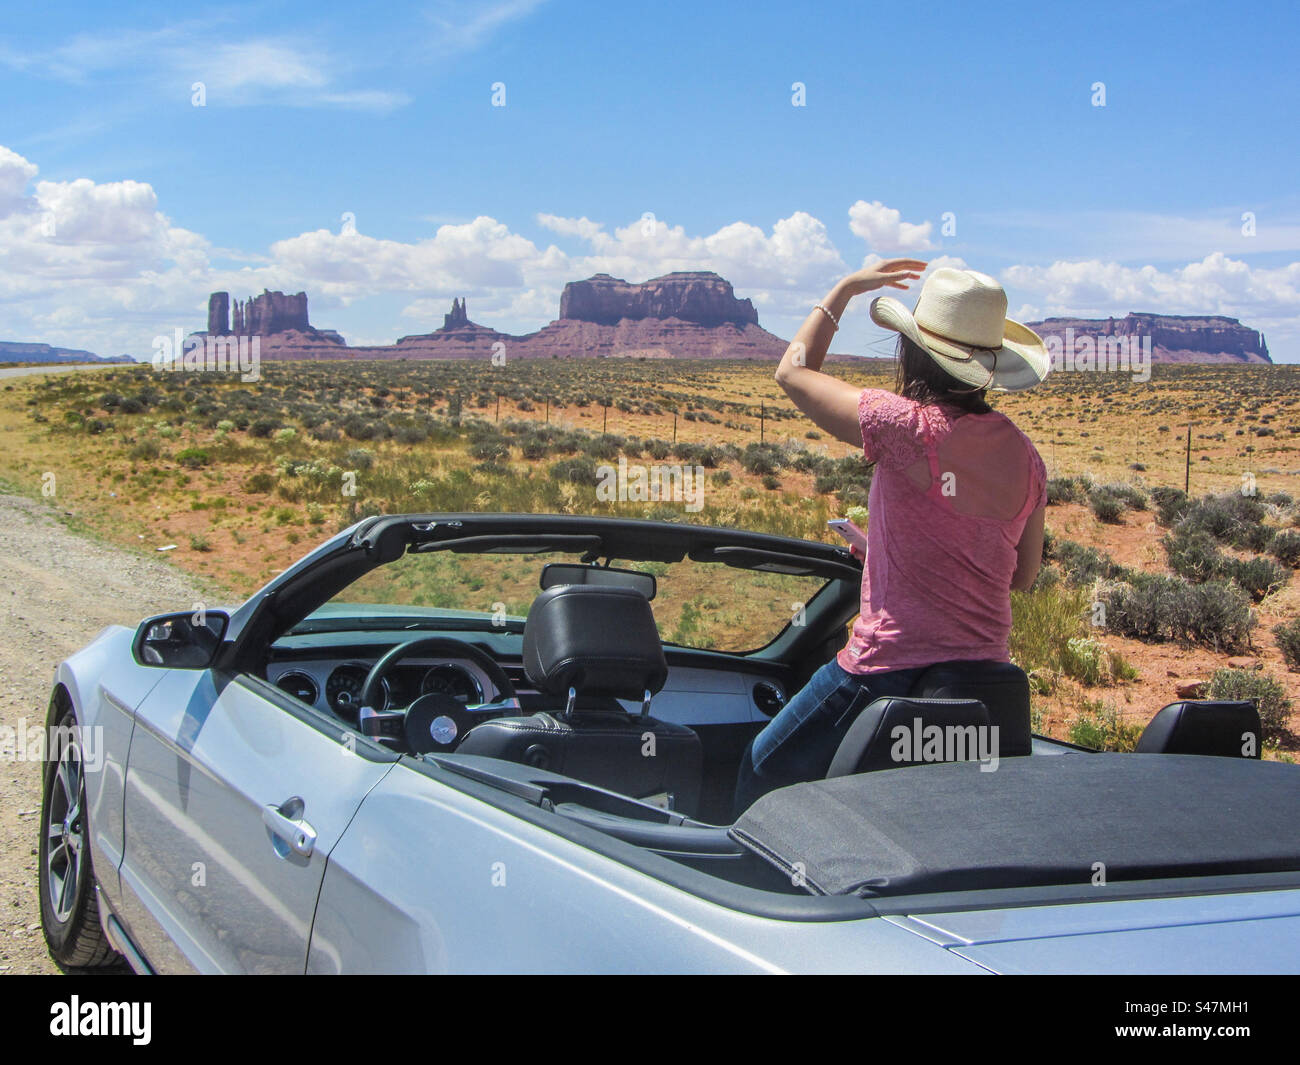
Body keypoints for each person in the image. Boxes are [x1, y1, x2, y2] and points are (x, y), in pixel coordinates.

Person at [734, 262, 1051, 814]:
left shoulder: (903, 425)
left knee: (763, 766)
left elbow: (792, 372)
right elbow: (1021, 576)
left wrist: (845, 289)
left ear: (913, 349)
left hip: (888, 670)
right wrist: (887, 550)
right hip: (985, 681)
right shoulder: (1026, 457)